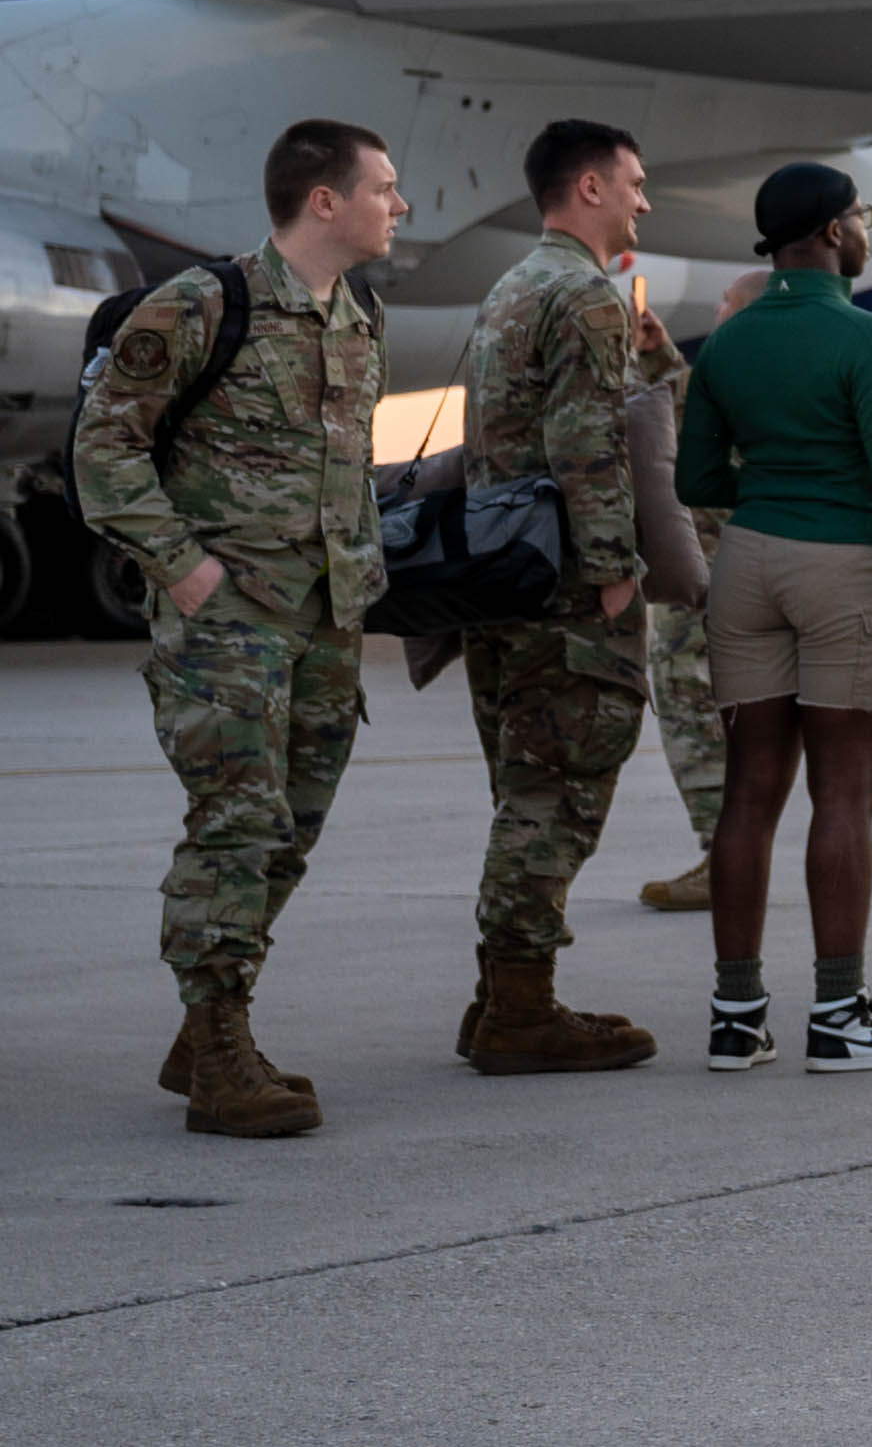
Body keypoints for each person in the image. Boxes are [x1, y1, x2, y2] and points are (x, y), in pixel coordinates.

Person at [70, 118, 404, 1138]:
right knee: (236, 826)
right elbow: (105, 447)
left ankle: (207, 1024)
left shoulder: (358, 315)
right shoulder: (205, 304)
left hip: (327, 622)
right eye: (384, 188)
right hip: (229, 627)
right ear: (324, 201)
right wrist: (185, 568)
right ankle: (219, 1048)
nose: (397, 204)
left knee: (290, 833)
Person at [676, 162, 872, 1071]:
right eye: (862, 217)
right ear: (835, 232)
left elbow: (693, 480)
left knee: (748, 794)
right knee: (842, 794)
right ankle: (840, 1013)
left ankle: (735, 1014)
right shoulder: (867, 335)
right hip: (842, 566)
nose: (866, 230)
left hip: (747, 565)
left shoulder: (727, 342)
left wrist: (763, 488)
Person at [455, 119, 666, 1072]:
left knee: (522, 789)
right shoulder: (584, 294)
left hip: (500, 573)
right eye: (633, 183)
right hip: (564, 585)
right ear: (587, 186)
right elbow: (590, 445)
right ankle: (522, 1010)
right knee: (557, 795)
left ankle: (497, 995)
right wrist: (617, 571)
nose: (642, 200)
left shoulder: (512, 284)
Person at [635, 272, 769, 912]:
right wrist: (659, 355)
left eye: (726, 304)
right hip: (759, 572)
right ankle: (738, 855)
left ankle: (725, 859)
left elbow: (688, 423)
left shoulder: (737, 375)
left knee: (690, 703)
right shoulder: (771, 374)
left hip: (714, 579)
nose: (716, 312)